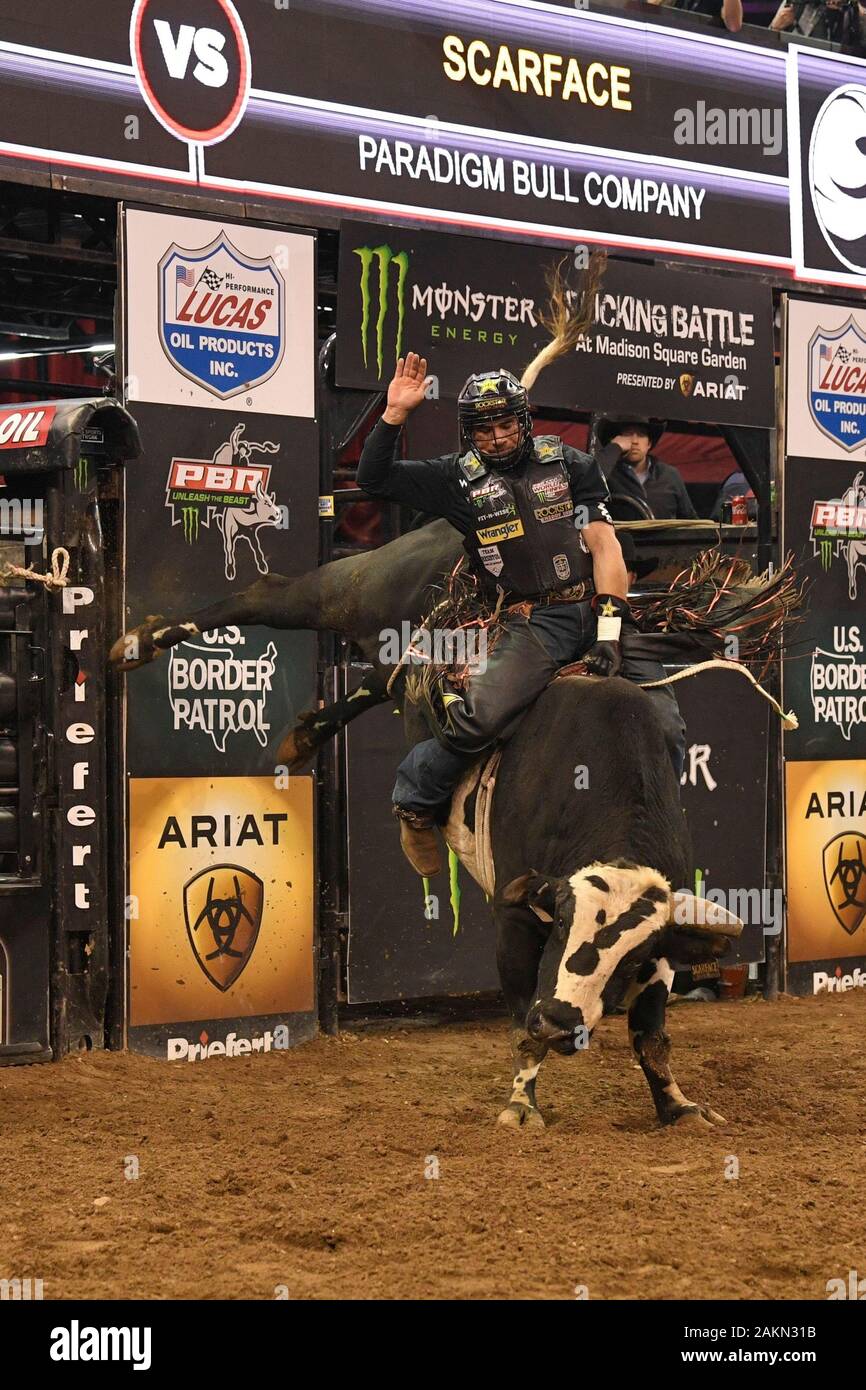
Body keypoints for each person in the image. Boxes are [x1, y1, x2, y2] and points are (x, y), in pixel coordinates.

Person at [357, 355, 686, 876]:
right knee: (479, 720)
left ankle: (648, 831)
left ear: (524, 420)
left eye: (506, 424)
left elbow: (604, 545)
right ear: (469, 433)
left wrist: (608, 631)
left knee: (666, 726)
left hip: (598, 606)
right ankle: (416, 803)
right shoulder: (452, 479)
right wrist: (395, 414)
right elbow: (373, 480)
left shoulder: (572, 464)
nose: (497, 438)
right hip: (535, 621)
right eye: (483, 429)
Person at [595, 416, 699, 521]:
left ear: (649, 443)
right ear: (616, 439)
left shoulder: (669, 474)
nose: (635, 441)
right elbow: (588, 484)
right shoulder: (608, 473)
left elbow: (690, 519)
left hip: (664, 537)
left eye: (641, 434)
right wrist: (614, 448)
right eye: (627, 434)